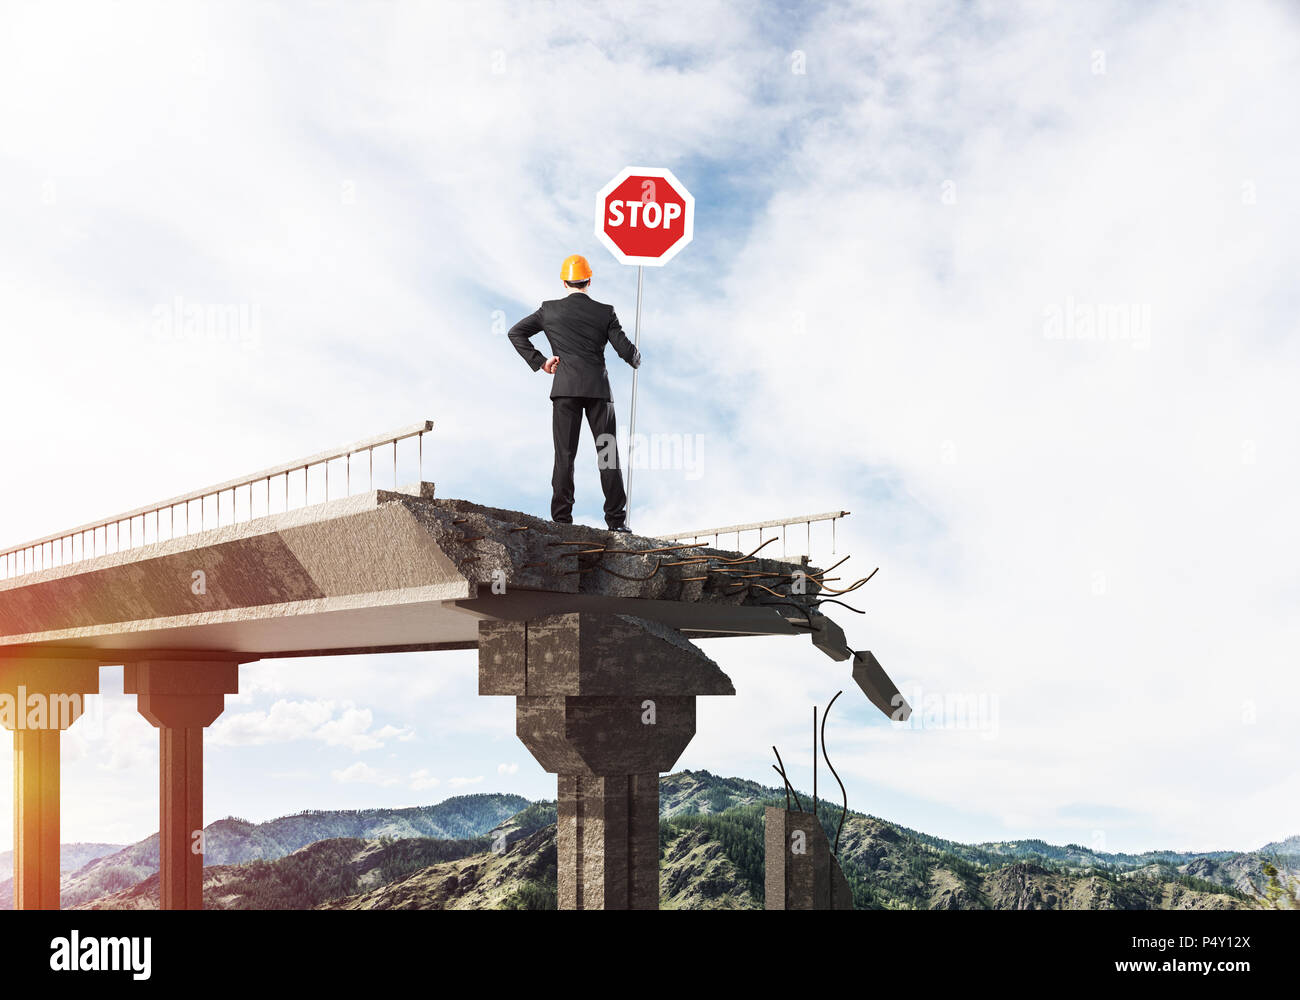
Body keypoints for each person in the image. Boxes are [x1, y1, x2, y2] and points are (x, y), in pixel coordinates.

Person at [508, 254, 640, 532]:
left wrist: (541, 361)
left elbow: (515, 333)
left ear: (564, 281)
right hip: (598, 391)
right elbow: (626, 351)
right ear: (588, 280)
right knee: (608, 453)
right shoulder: (605, 312)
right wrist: (636, 357)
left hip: (565, 389)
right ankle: (616, 522)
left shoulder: (549, 310)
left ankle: (561, 521)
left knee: (564, 455)